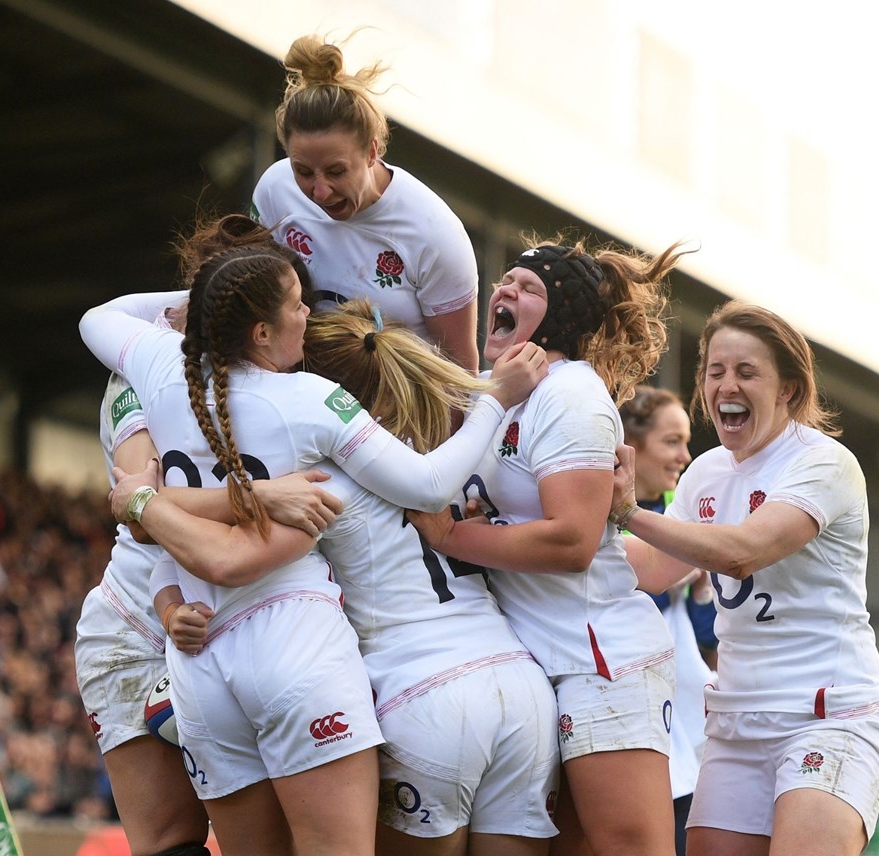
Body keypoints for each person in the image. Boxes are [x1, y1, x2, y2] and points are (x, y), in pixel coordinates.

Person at [79, 215, 546, 856]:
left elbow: (98, 317)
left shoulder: (159, 363)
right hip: (295, 644)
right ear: (261, 330)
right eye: (297, 303)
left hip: (200, 661)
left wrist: (214, 298)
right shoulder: (311, 399)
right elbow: (429, 484)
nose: (309, 312)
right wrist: (495, 399)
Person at [408, 238, 691, 856]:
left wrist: (453, 534)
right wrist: (483, 520)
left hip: (597, 660)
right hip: (532, 661)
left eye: (528, 287)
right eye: (505, 281)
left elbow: (572, 541)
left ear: (558, 320)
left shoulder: (572, 394)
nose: (505, 291)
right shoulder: (496, 390)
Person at [74, 219, 346, 856]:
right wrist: (260, 495)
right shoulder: (141, 370)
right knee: (171, 842)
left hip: (244, 625)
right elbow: (139, 511)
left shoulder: (286, 382)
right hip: (137, 625)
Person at [609, 300, 879, 856]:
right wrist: (549, 531)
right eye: (715, 371)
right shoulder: (706, 472)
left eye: (746, 372)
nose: (726, 386)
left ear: (788, 388)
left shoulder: (824, 463)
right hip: (736, 725)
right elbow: (652, 568)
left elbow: (742, 553)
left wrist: (627, 512)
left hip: (828, 717)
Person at [251, 34, 480, 373]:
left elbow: (460, 373)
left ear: (372, 152)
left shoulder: (436, 234)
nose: (320, 192)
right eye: (303, 172)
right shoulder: (275, 189)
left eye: (336, 171)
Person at [617, 385, 712, 856]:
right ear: (631, 445)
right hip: (628, 702)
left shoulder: (684, 513)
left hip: (685, 714)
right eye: (672, 442)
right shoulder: (601, 512)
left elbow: (708, 635)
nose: (684, 457)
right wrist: (670, 575)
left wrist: (700, 588)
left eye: (686, 442)